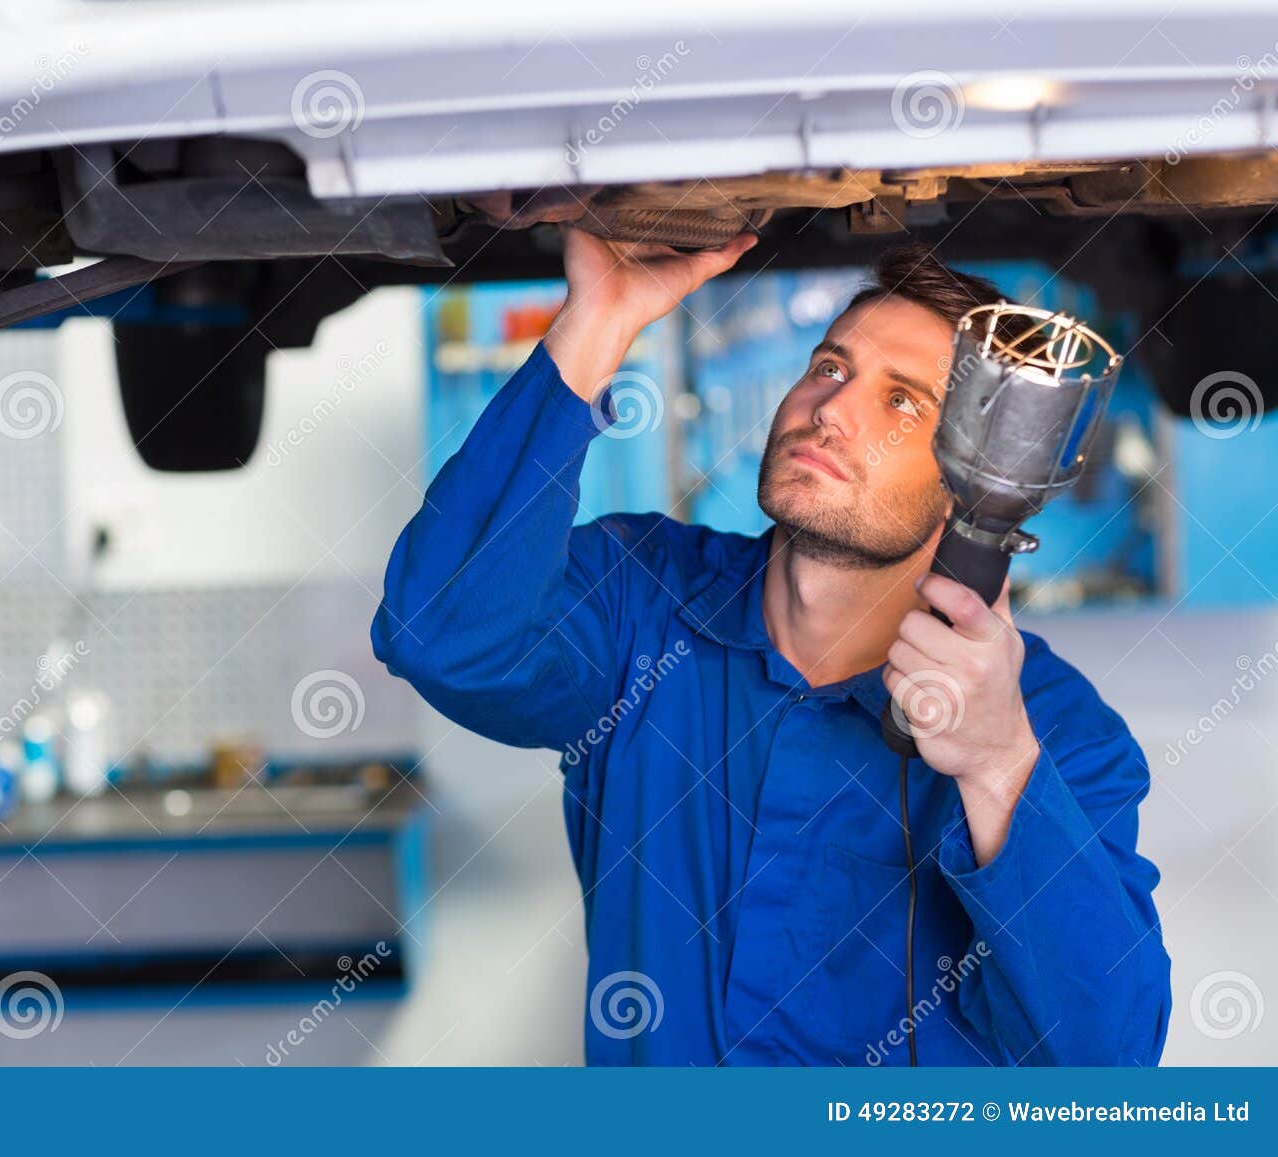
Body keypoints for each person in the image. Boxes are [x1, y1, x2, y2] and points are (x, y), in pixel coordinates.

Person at [371, 226, 1171, 1066]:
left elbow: (1106, 1062)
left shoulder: (1051, 730)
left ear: (969, 487)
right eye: (830, 367)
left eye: (903, 401)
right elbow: (441, 632)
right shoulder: (645, 604)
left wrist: (999, 769)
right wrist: (595, 326)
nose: (830, 410)